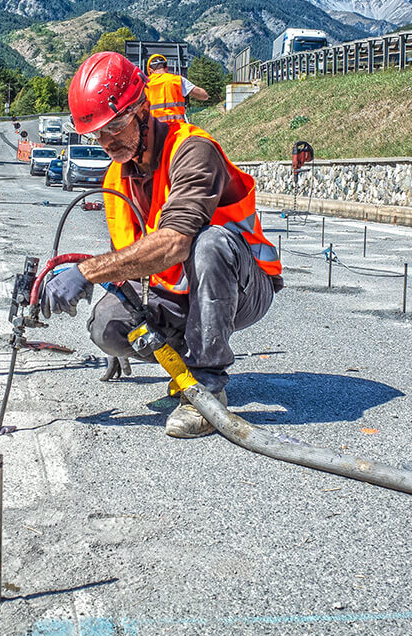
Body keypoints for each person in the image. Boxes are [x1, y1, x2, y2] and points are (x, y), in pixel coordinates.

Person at [38, 51, 281, 438]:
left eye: (115, 126)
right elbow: (134, 260)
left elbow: (174, 245)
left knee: (209, 243)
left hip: (244, 285)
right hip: (181, 288)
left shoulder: (192, 150)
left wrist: (86, 272)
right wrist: (119, 308)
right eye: (96, 133)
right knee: (107, 327)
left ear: (140, 106)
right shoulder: (117, 178)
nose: (106, 141)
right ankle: (186, 358)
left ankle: (208, 390)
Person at [144, 53, 208, 123]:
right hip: (177, 128)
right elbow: (204, 95)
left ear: (150, 70)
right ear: (166, 68)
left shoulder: (144, 85)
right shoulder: (177, 80)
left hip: (154, 130)